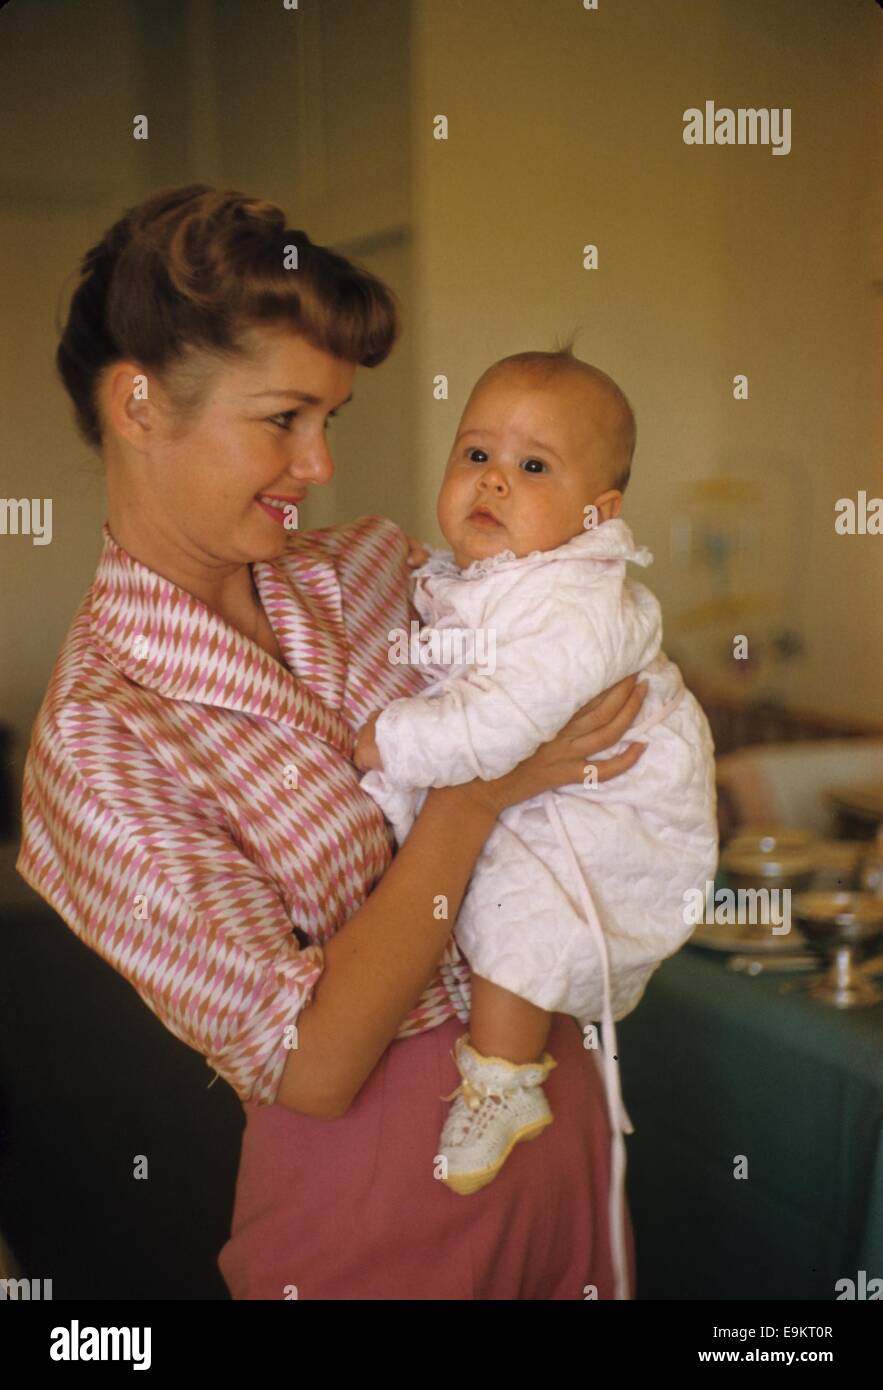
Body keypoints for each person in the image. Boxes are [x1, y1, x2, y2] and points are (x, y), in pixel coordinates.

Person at [17, 184, 650, 1301]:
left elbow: (571, 640)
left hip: (563, 1140)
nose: (320, 467)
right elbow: (311, 1064)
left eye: (331, 421)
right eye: (282, 419)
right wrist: (473, 796)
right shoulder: (102, 740)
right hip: (379, 1206)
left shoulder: (366, 568)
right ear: (139, 403)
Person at [353, 352, 718, 1296]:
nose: (493, 479)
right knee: (491, 876)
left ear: (597, 514)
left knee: (523, 912)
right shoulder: (483, 575)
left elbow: (500, 728)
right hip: (552, 784)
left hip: (616, 804)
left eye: (534, 467)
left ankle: (504, 1081)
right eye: (476, 451)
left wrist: (384, 741)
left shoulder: (570, 603)